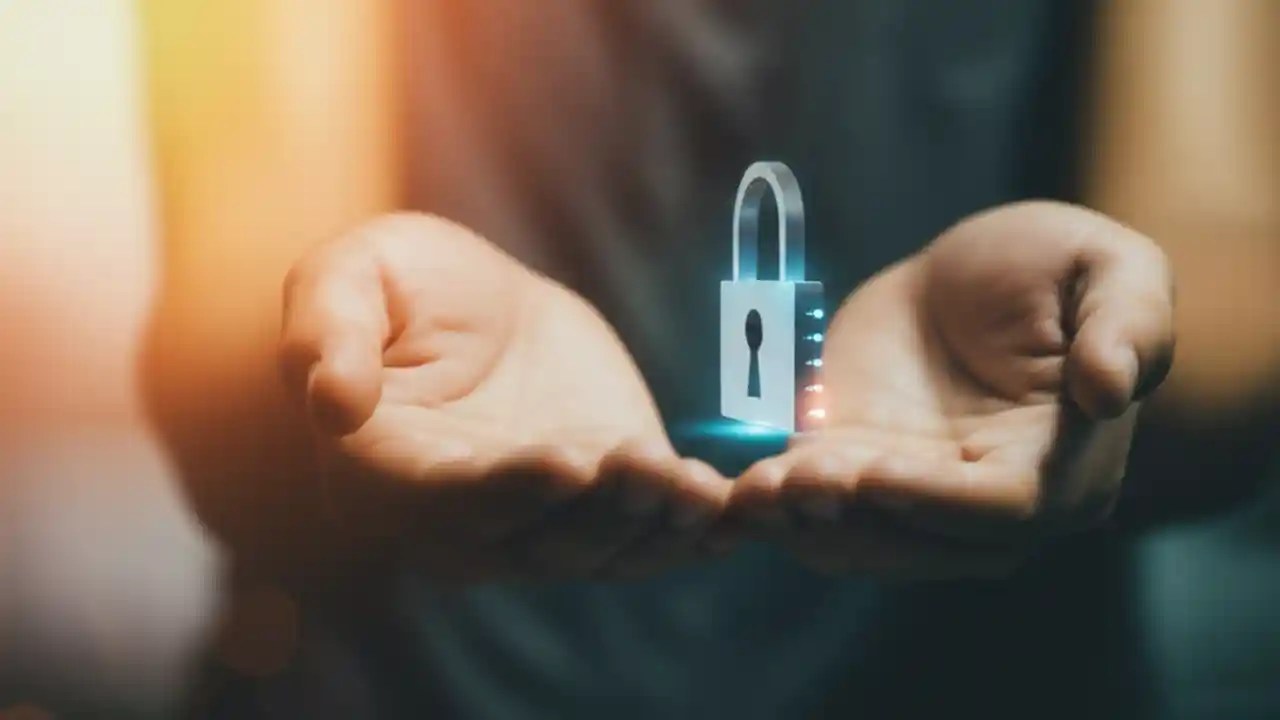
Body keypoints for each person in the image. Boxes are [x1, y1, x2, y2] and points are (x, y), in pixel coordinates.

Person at [137, 1, 1274, 717]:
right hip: (409, 679)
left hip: (979, 675)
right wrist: (355, 361)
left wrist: (1105, 350)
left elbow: (1222, 255)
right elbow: (242, 276)